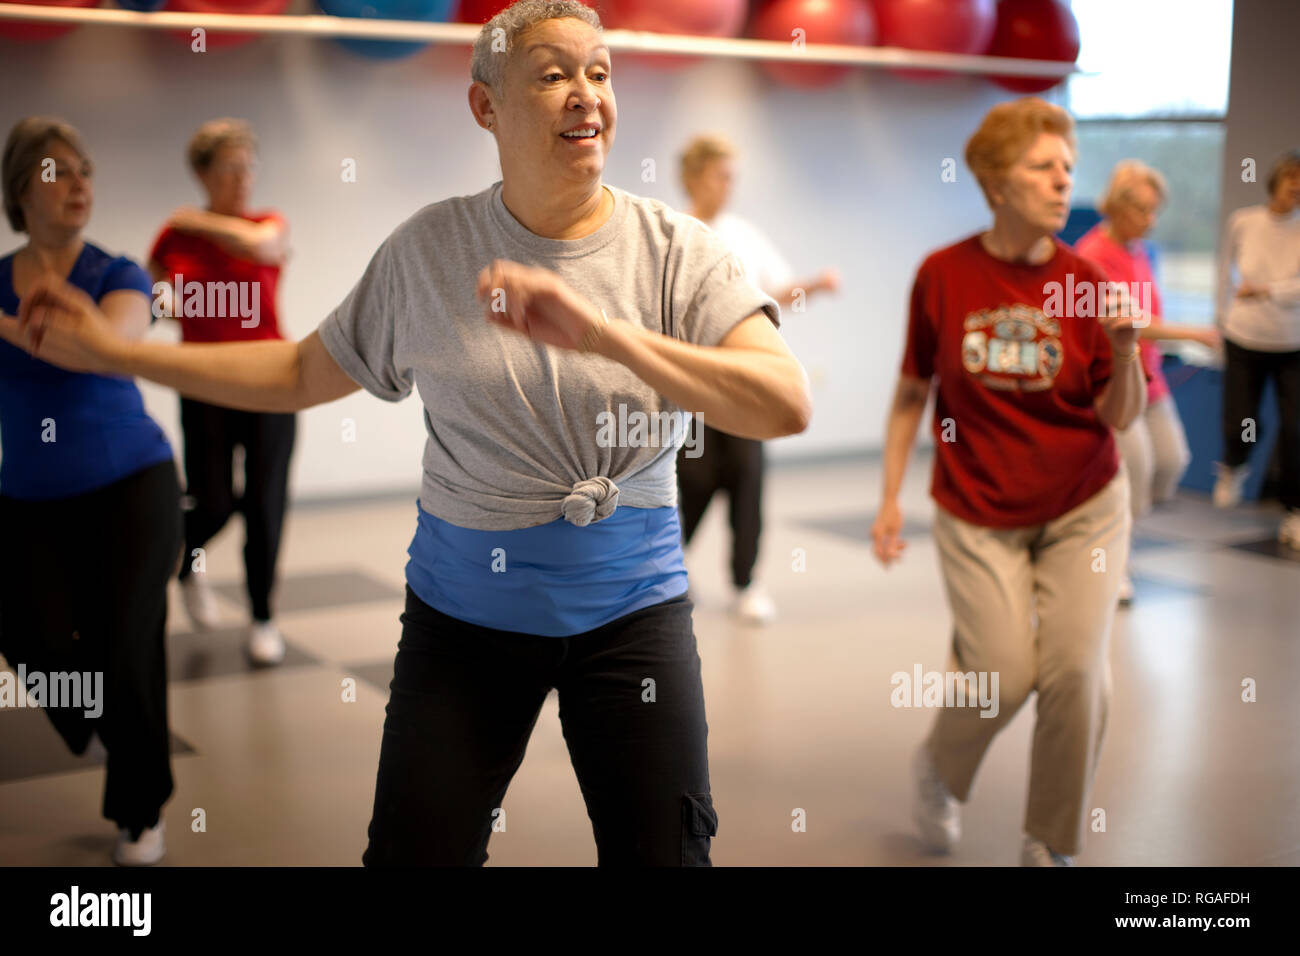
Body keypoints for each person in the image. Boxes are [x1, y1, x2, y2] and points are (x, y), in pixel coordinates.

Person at [0, 0, 811, 867]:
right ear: (485, 107)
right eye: (553, 74)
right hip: (464, 623)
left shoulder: (677, 251)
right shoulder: (428, 250)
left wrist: (601, 334)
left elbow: (781, 401)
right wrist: (117, 356)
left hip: (633, 616)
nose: (586, 94)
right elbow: (299, 371)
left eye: (600, 72)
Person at [871, 98, 1146, 866]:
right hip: (977, 506)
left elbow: (1117, 419)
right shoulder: (943, 274)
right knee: (999, 671)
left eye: (1068, 168)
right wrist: (890, 498)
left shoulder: (1086, 284)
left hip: (1084, 506)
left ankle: (1049, 844)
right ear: (995, 183)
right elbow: (909, 393)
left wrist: (1124, 353)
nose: (1064, 182)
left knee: (1077, 674)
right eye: (1043, 167)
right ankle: (940, 769)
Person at [0, 117, 181, 866]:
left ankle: (140, 807)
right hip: (28, 496)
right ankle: (100, 721)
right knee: (30, 634)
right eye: (57, 173)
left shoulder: (119, 273)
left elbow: (104, 348)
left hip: (130, 486)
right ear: (21, 191)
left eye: (85, 171)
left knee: (123, 645)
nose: (78, 185)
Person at [148, 119, 295, 664]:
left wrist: (196, 221)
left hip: (271, 382)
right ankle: (186, 566)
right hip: (204, 381)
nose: (242, 179)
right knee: (211, 500)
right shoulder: (173, 238)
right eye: (229, 168)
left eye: (247, 167)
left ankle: (263, 617)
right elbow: (154, 300)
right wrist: (182, 305)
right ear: (202, 173)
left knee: (264, 503)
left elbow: (260, 246)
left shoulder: (265, 222)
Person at [675, 133, 838, 623]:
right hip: (691, 389)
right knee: (692, 482)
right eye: (721, 176)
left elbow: (774, 292)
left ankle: (746, 585)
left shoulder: (742, 234)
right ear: (693, 178)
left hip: (745, 386)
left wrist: (816, 285)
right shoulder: (673, 233)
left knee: (747, 483)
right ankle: (669, 571)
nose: (729, 187)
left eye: (733, 178)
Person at [1075, 160, 1220, 602]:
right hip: (1113, 381)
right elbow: (1133, 322)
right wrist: (1193, 333)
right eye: (1143, 210)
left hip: (1150, 377)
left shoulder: (1138, 250)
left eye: (1156, 211)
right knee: (1134, 470)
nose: (1151, 220)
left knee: (1172, 461)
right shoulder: (1092, 256)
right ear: (1117, 206)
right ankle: (1112, 563)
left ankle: (1118, 536)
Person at [1212, 149, 1300, 549]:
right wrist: (1219, 320)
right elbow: (1223, 270)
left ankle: (1294, 513)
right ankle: (1235, 464)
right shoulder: (1244, 222)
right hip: (1244, 337)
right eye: (1291, 178)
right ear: (1276, 181)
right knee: (1243, 421)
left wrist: (1266, 290)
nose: (1296, 187)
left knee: (1295, 430)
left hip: (1292, 344)